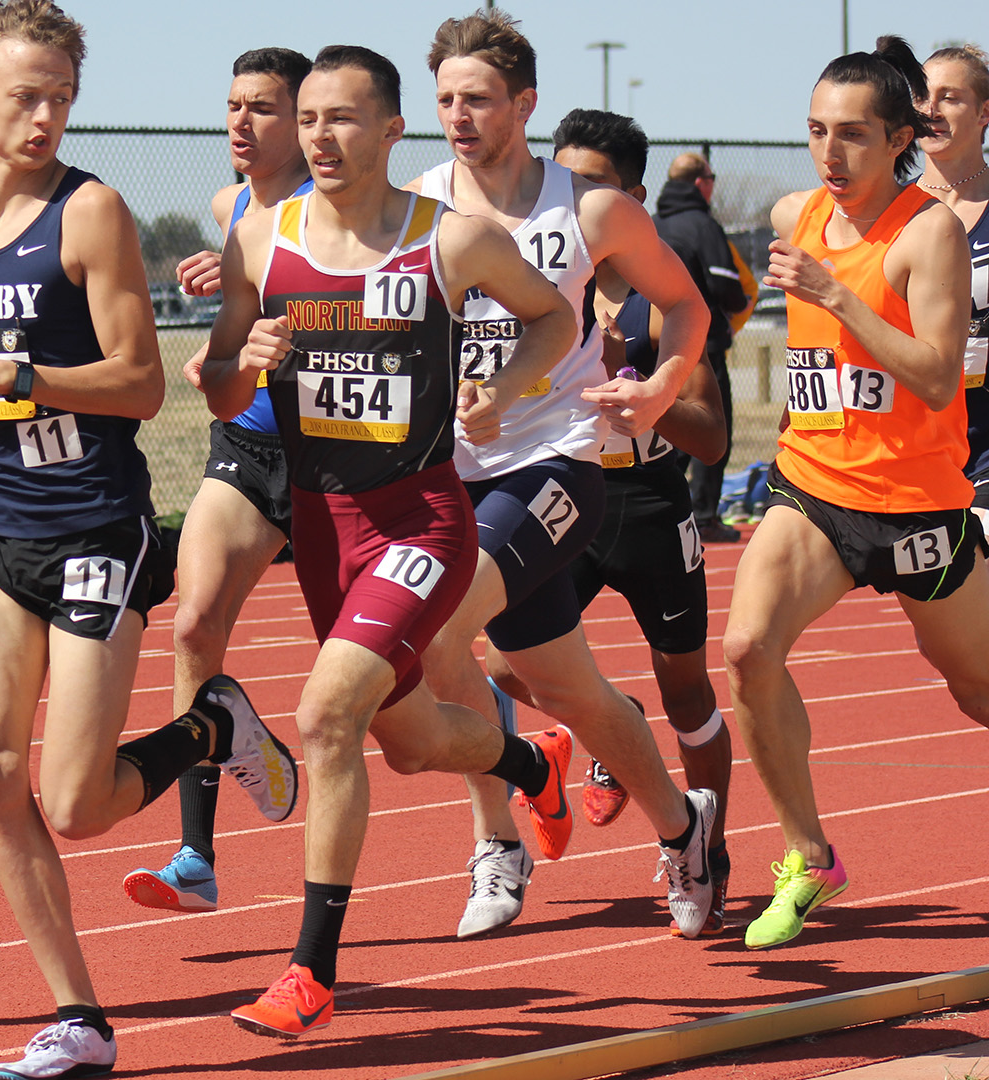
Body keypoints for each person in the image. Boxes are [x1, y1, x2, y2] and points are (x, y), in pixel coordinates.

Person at [0, 2, 297, 1074]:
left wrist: (19, 377)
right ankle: (78, 1015)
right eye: (24, 96)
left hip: (92, 528)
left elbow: (139, 383)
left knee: (74, 803)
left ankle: (210, 728)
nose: (44, 117)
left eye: (62, 98)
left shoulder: (91, 214)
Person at [200, 43, 583, 1039]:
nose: (321, 137)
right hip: (324, 529)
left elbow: (555, 317)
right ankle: (530, 762)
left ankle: (311, 972)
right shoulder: (260, 241)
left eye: (342, 118)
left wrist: (502, 390)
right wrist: (243, 359)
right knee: (406, 744)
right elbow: (219, 390)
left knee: (326, 716)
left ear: (389, 130)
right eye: (310, 118)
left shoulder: (450, 241)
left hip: (421, 519)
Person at [411, 9, 719, 942]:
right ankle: (683, 823)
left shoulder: (588, 208)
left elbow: (686, 305)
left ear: (525, 104)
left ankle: (496, 837)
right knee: (576, 695)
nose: (458, 117)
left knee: (437, 629)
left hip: (555, 466)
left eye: (478, 99)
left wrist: (661, 390)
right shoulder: (419, 204)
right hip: (445, 472)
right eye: (444, 101)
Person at [726, 37, 988, 950]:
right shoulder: (796, 211)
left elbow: (932, 375)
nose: (829, 155)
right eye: (814, 133)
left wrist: (839, 296)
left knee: (976, 690)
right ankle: (809, 856)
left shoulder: (929, 233)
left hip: (919, 505)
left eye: (852, 137)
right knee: (749, 648)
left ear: (898, 140)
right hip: (813, 492)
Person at [484, 108, 735, 938]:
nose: (563, 196)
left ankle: (703, 851)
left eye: (585, 182)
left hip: (650, 506)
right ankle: (593, 721)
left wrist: (645, 390)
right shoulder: (525, 287)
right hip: (560, 496)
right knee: (498, 660)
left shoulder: (656, 300)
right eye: (558, 175)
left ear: (626, 199)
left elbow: (714, 434)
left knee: (687, 696)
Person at [122, 45, 314, 915]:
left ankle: (514, 777)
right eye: (234, 105)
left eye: (262, 108)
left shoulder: (336, 211)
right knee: (193, 624)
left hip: (339, 455)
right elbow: (246, 295)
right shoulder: (230, 204)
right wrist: (219, 275)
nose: (241, 122)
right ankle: (195, 857)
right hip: (248, 445)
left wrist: (251, 318)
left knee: (410, 691)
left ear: (304, 121)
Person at [656, 152, 753, 543]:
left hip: (656, 339)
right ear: (701, 183)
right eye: (712, 177)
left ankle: (666, 512)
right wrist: (738, 304)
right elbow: (726, 284)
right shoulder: (704, 225)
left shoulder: (651, 224)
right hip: (702, 345)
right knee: (713, 428)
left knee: (671, 429)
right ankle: (706, 515)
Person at [916, 45, 989, 522]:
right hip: (904, 445)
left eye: (950, 97)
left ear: (985, 112)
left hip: (982, 446)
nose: (932, 109)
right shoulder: (882, 210)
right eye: (922, 96)